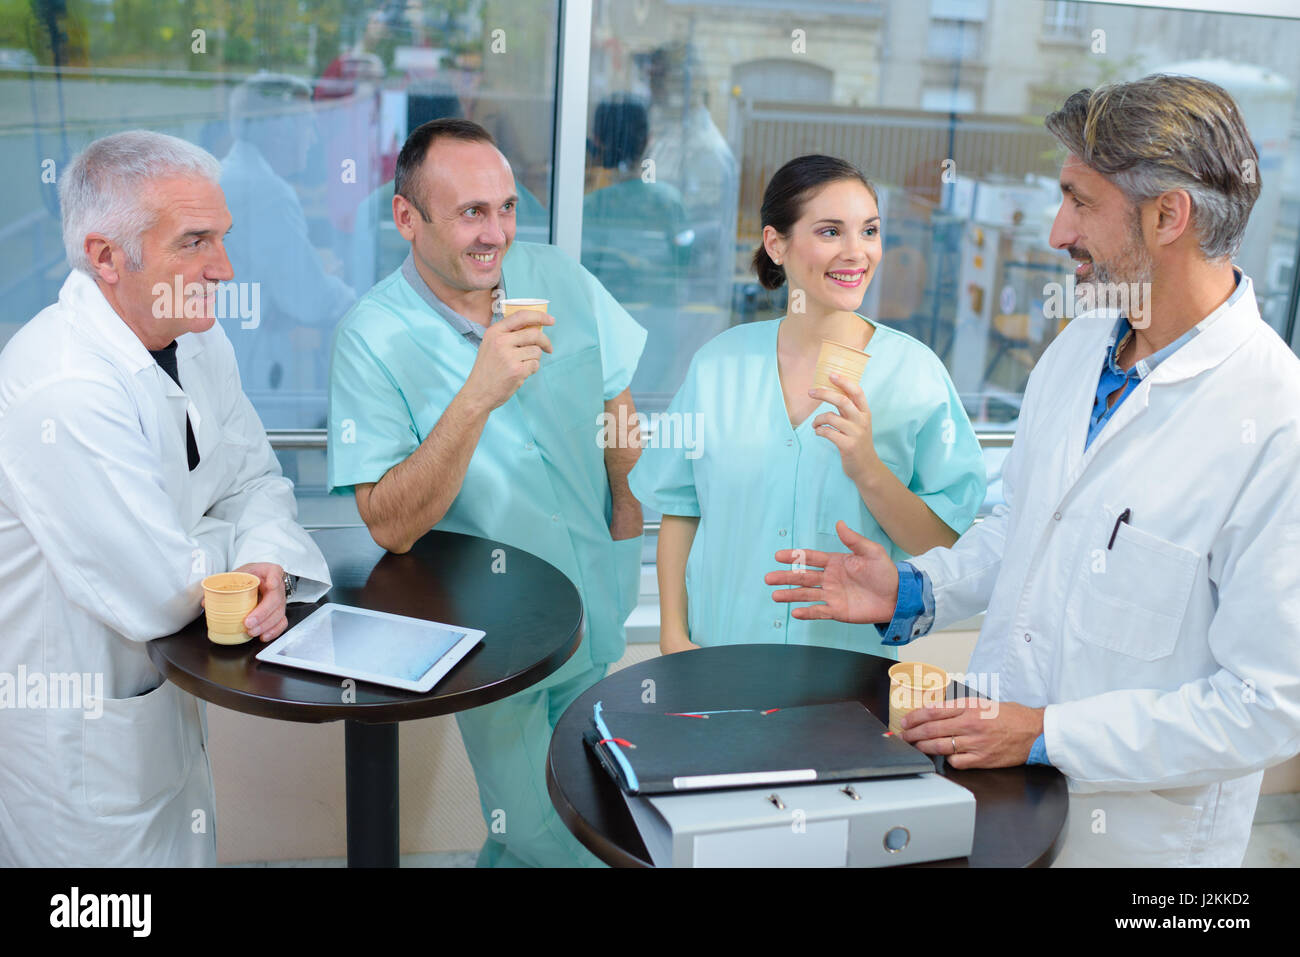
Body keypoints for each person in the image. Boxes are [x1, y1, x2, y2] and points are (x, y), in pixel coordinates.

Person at [766, 75, 1300, 867]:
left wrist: (1048, 731)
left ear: (1168, 216)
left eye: (1079, 201)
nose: (1057, 232)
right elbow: (1021, 527)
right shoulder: (1082, 348)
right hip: (998, 804)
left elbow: (1267, 706)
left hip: (1139, 848)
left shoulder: (1276, 423)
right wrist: (913, 589)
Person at [0, 130, 331, 867]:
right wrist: (238, 546)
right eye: (194, 242)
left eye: (223, 237)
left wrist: (263, 554)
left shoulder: (197, 338)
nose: (225, 267)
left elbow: (259, 481)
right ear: (107, 256)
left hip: (158, 723)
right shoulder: (63, 389)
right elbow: (164, 589)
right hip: (78, 760)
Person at [327, 118, 646, 868]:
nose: (495, 233)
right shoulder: (372, 337)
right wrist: (478, 394)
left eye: (506, 207)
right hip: (488, 634)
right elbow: (388, 525)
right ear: (408, 218)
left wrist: (626, 522)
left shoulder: (558, 277)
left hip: (596, 598)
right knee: (542, 830)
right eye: (471, 211)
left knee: (592, 808)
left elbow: (616, 402)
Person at [631, 154, 985, 656]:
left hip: (846, 674)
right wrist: (673, 634)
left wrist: (867, 469)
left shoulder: (915, 375)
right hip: (720, 657)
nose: (856, 253)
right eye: (829, 232)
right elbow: (682, 511)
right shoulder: (719, 366)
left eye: (869, 231)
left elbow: (941, 544)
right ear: (776, 244)